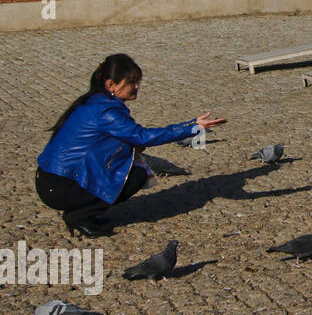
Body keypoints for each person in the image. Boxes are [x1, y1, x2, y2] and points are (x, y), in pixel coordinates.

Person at [35, 54, 227, 238]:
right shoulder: (106, 111)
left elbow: (120, 140)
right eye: (132, 82)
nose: (137, 86)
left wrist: (190, 124)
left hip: (51, 179)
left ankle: (82, 209)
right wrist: (191, 128)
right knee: (137, 175)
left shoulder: (95, 101)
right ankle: (80, 215)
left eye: (138, 82)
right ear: (111, 85)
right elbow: (142, 136)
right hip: (59, 186)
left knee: (131, 163)